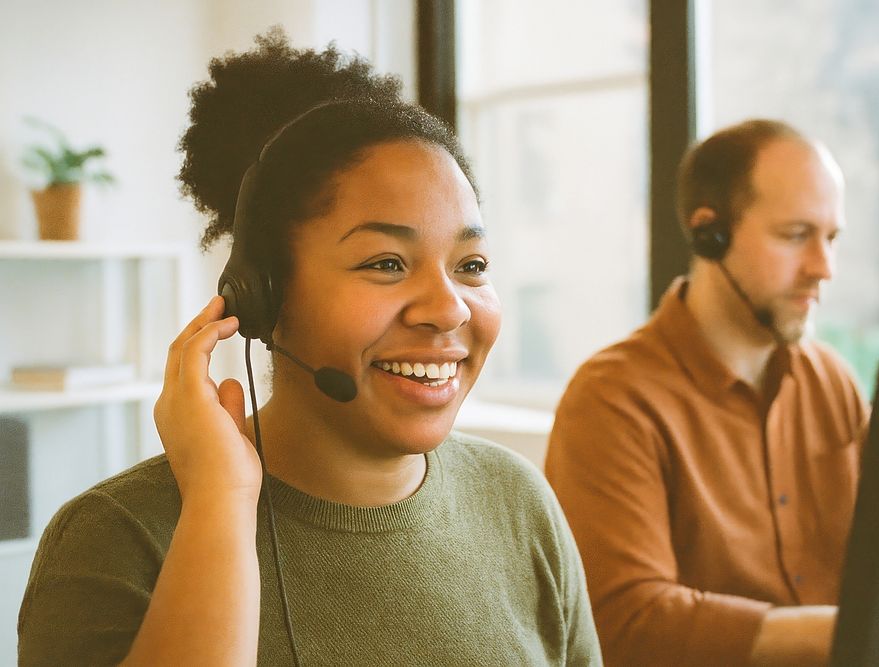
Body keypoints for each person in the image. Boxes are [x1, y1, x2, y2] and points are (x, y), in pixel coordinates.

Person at [18, 29, 601, 666]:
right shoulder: (117, 540)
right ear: (262, 297)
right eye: (385, 262)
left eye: (471, 263)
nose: (449, 309)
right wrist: (221, 500)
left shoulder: (517, 500)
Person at [545, 119, 870, 667]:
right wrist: (855, 632)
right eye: (796, 236)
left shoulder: (831, 381)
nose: (824, 269)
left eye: (831, 238)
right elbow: (625, 624)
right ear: (709, 234)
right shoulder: (611, 399)